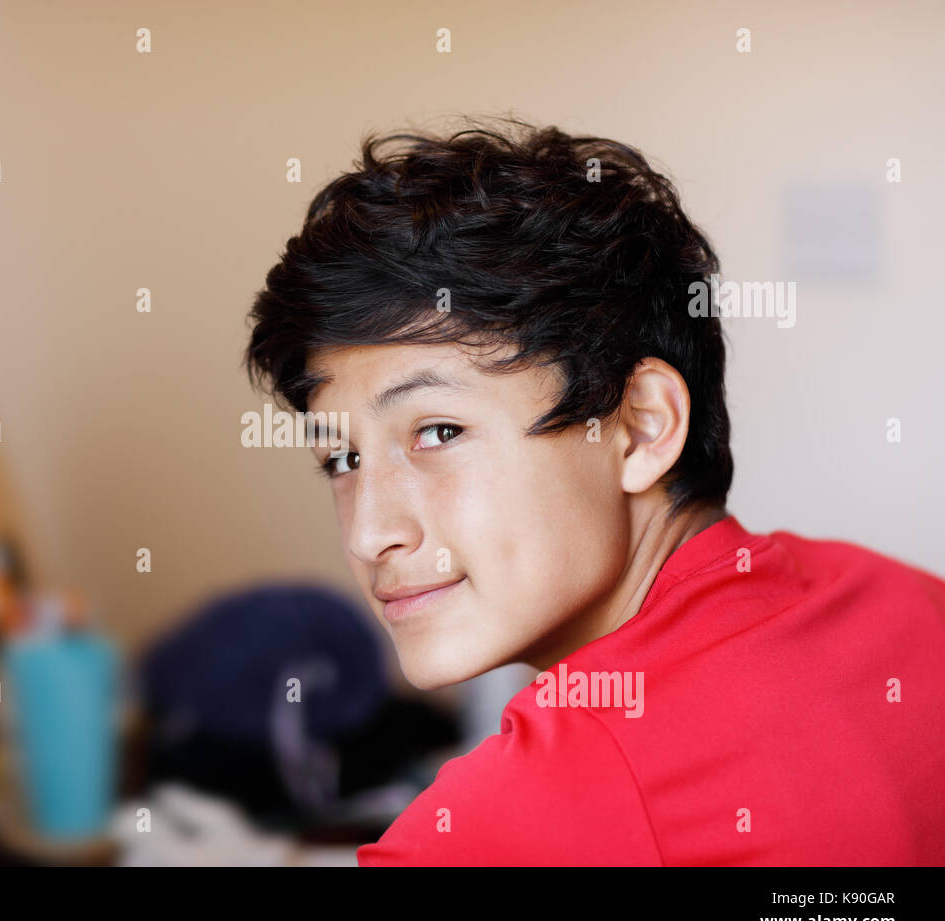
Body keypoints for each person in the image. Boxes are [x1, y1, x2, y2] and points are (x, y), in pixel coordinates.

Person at [242, 113, 945, 865]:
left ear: (641, 426)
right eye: (341, 461)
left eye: (438, 432)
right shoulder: (906, 600)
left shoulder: (498, 825)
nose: (368, 534)